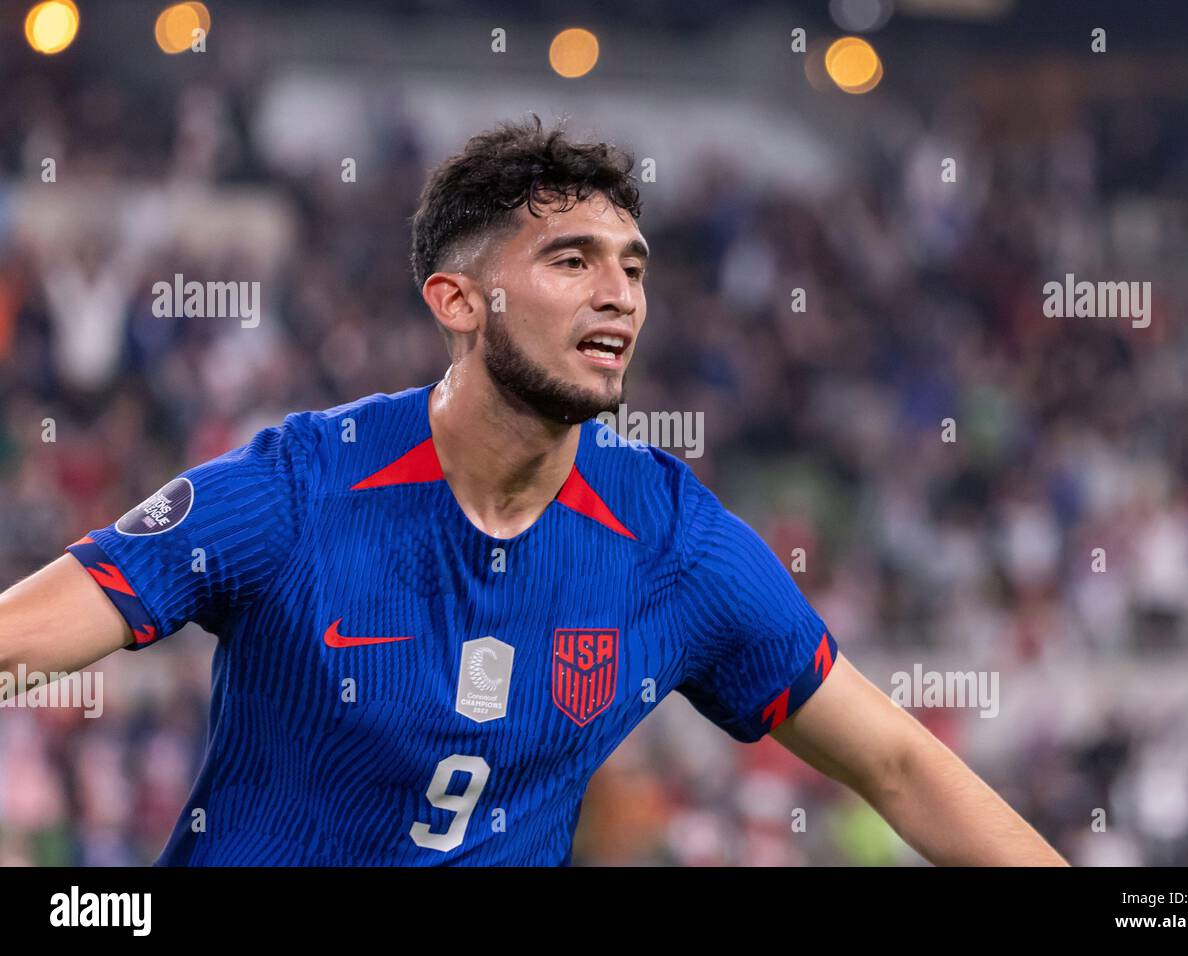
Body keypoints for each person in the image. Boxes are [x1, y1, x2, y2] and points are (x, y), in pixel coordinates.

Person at [0, 115, 1067, 866]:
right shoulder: (296, 486)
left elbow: (897, 766)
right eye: (571, 259)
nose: (619, 294)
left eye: (634, 266)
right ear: (458, 299)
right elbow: (19, 640)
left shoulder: (674, 546)